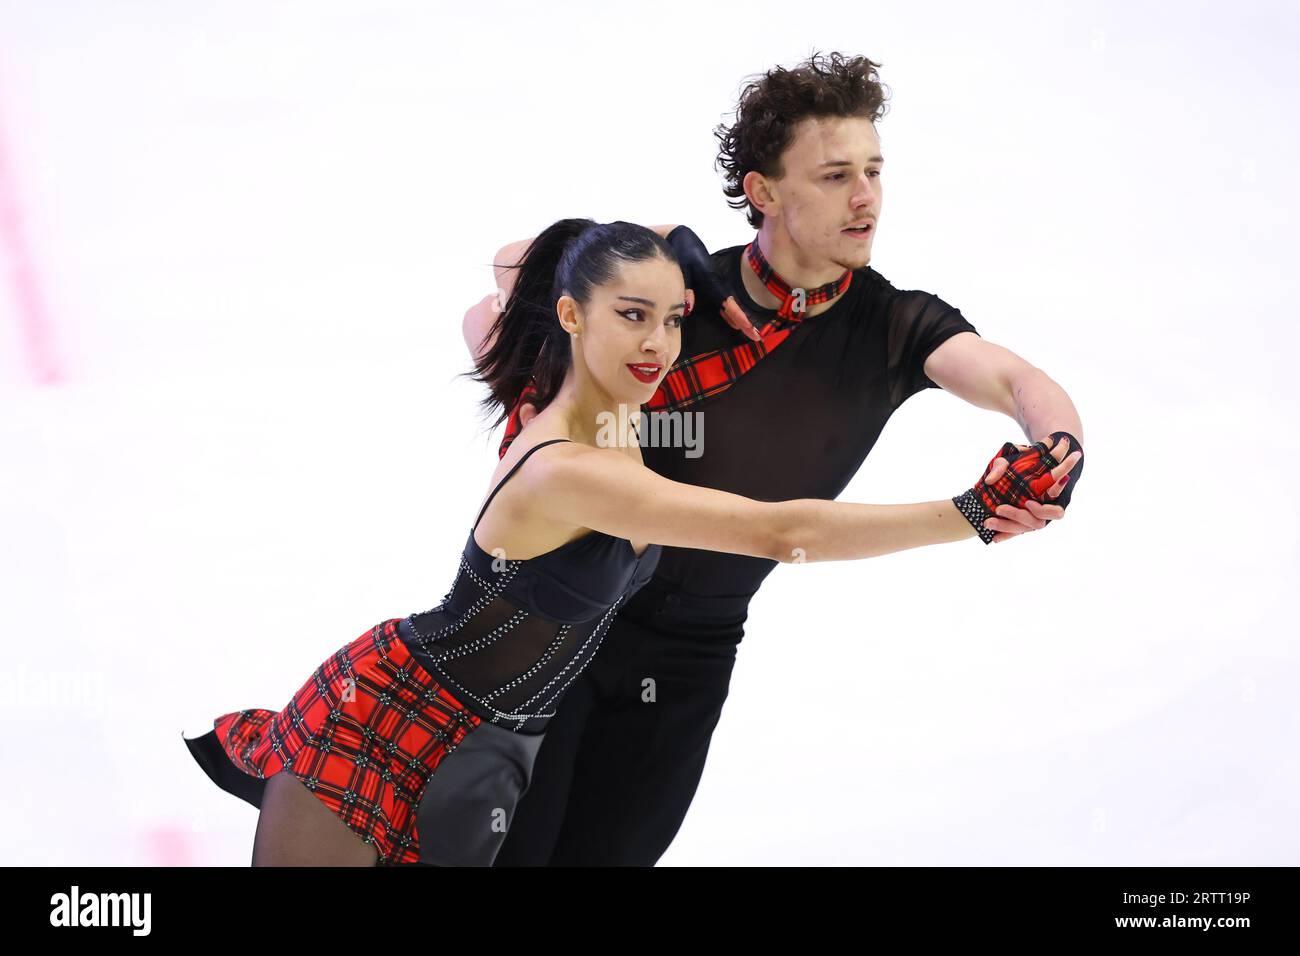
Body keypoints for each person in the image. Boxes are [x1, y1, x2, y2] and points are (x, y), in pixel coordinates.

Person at [181, 216, 1076, 866]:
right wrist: (966, 513)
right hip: (387, 721)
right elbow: (780, 529)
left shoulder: (591, 409)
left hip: (486, 744)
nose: (659, 344)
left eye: (672, 317)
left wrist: (647, 247)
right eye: (630, 316)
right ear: (572, 318)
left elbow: (515, 274)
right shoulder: (576, 465)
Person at [484, 52, 1088, 866]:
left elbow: (1016, 378)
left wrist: (1060, 446)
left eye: (874, 170)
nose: (867, 196)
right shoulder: (676, 291)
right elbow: (512, 278)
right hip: (566, 620)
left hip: (693, 655)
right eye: (836, 175)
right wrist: (674, 241)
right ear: (763, 192)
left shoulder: (893, 325)